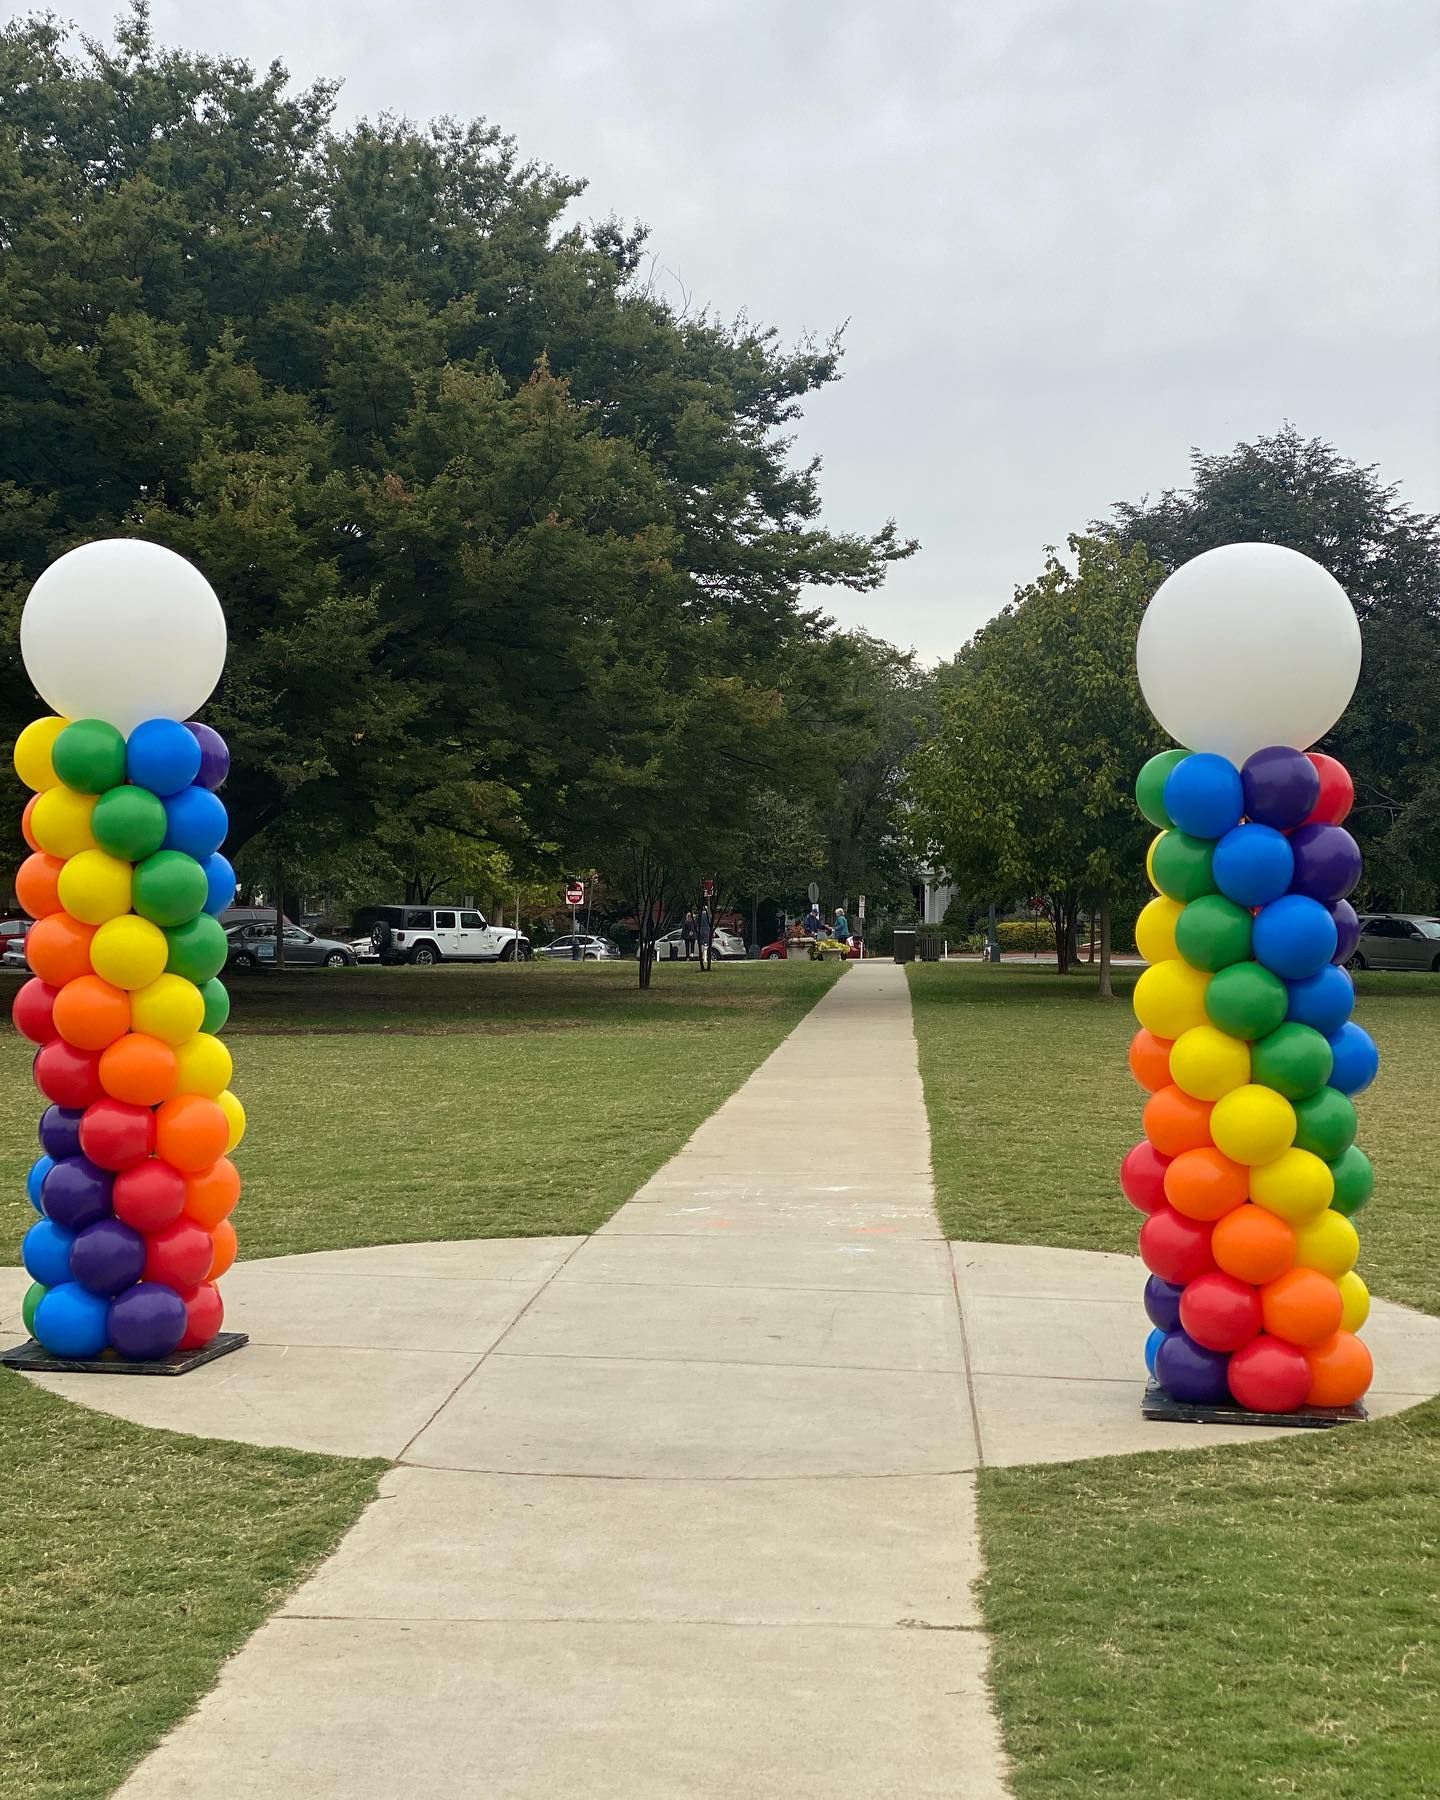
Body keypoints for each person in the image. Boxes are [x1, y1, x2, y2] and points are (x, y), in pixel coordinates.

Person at [698, 904, 713, 971]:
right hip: (707, 930)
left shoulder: (700, 915)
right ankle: (705, 958)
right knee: (706, 944)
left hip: (701, 930)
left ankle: (702, 956)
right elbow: (711, 923)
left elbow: (697, 922)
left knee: (701, 944)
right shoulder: (708, 915)